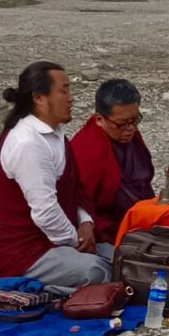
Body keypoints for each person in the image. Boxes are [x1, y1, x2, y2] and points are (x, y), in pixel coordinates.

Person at [0, 60, 112, 290]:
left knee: (121, 257)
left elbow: (76, 190)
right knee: (97, 270)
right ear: (39, 98)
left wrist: (85, 221)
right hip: (25, 251)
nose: (71, 98)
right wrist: (77, 242)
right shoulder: (28, 143)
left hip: (58, 239)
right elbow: (45, 212)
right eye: (64, 91)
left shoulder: (55, 134)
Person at [70, 76, 158, 244]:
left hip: (139, 218)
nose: (130, 129)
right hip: (107, 232)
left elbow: (143, 182)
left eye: (135, 121)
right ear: (99, 119)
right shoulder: (87, 149)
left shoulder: (127, 133)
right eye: (122, 124)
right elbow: (80, 202)